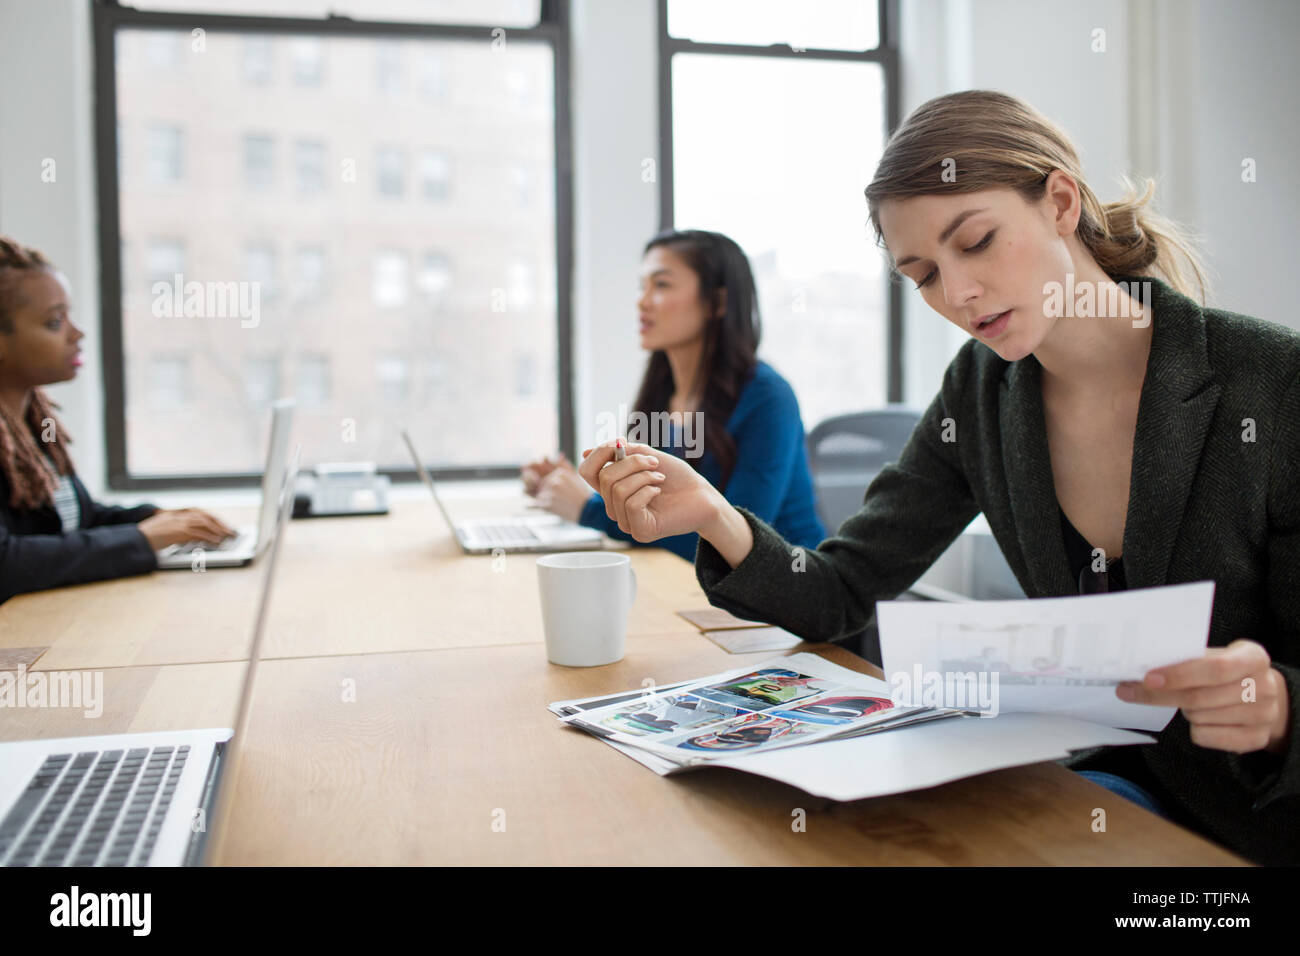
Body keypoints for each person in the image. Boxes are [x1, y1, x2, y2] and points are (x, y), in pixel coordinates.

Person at [575, 91, 1299, 866]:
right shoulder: (982, 392)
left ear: (1060, 201)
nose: (957, 294)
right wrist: (717, 517)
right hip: (1098, 795)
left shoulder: (1271, 384)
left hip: (1257, 819)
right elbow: (844, 589)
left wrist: (1281, 703)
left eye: (977, 242)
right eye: (922, 274)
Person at [521, 228, 825, 561]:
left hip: (787, 594)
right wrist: (569, 489)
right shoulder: (662, 392)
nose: (642, 300)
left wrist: (585, 510)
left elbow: (732, 537)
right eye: (642, 286)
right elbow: (650, 509)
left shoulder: (769, 398)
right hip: (700, 589)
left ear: (718, 302)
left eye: (661, 284)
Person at [0, 236, 236, 603]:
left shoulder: (31, 422)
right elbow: (7, 563)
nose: (77, 334)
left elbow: (79, 521)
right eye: (55, 321)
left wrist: (161, 518)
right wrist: (142, 538)